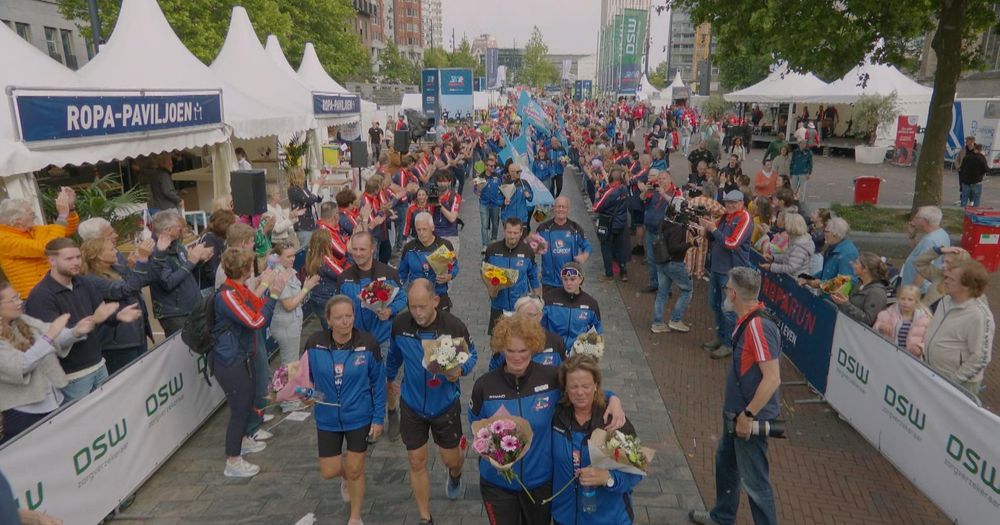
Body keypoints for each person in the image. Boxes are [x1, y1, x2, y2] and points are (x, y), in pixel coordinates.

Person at [469, 315, 625, 525]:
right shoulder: (484, 386)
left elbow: (582, 388)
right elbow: (476, 428)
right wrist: (488, 453)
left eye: (523, 350)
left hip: (541, 483)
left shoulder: (551, 377)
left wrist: (612, 398)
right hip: (497, 484)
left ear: (533, 347)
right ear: (501, 348)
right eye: (510, 351)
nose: (517, 357)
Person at [688, 267, 781, 525]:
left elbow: (772, 378)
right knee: (726, 464)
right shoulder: (748, 320)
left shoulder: (757, 326)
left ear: (733, 293)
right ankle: (722, 516)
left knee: (755, 482)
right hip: (737, 414)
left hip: (747, 417)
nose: (724, 290)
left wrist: (748, 415)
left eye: (727, 286)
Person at [386, 279, 477, 524]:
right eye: (413, 306)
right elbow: (394, 354)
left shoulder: (453, 325)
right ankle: (425, 517)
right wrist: (388, 378)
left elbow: (472, 354)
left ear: (435, 301)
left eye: (422, 307)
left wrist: (461, 369)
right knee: (416, 461)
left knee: (451, 459)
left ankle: (455, 474)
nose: (417, 312)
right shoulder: (400, 324)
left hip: (444, 404)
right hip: (412, 403)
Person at [301, 295, 385, 524]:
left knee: (356, 469)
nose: (345, 322)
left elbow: (378, 383)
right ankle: (345, 475)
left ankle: (355, 517)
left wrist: (378, 418)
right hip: (327, 418)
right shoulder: (314, 344)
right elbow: (304, 381)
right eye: (339, 318)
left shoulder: (368, 343)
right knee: (329, 470)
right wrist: (309, 396)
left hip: (359, 416)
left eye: (349, 316)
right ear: (328, 320)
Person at [24, 238, 141, 402]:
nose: (76, 262)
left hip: (99, 364)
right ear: (52, 260)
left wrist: (116, 316)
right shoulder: (41, 296)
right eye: (69, 259)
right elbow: (52, 340)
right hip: (72, 376)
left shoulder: (83, 282)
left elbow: (100, 311)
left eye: (78, 257)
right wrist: (91, 321)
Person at [212, 248, 289, 478]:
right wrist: (273, 294)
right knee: (239, 409)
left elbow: (255, 304)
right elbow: (256, 320)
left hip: (239, 355)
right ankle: (232, 460)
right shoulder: (227, 295)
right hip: (229, 360)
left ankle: (244, 440)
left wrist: (267, 289)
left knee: (245, 404)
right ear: (246, 269)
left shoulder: (239, 289)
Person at [0, 281, 99, 444]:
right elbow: (21, 365)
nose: (19, 302)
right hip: (25, 415)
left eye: (18, 297)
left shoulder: (24, 320)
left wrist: (76, 331)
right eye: (13, 300)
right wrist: (49, 336)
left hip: (53, 404)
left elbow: (53, 335)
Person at [551, 355, 644, 525]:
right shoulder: (556, 416)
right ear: (565, 388)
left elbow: (637, 471)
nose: (580, 392)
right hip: (564, 517)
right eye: (573, 386)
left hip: (608, 519)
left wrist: (608, 478)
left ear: (596, 385)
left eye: (586, 386)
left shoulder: (612, 421)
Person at [79, 237, 155, 375]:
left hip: (136, 334)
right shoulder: (91, 279)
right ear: (99, 256)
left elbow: (143, 280)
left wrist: (136, 265)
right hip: (118, 344)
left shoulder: (118, 268)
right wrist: (142, 259)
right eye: (112, 249)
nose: (116, 252)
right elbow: (126, 289)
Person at [921, 259, 994, 394]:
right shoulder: (945, 300)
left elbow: (980, 358)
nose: (945, 281)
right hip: (934, 373)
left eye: (950, 279)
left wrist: (954, 380)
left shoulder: (979, 316)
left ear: (966, 285)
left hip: (957, 385)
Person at [698, 191, 753, 359]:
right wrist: (708, 229)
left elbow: (732, 243)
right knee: (715, 305)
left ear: (741, 203)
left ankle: (729, 344)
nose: (730, 205)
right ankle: (719, 337)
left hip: (731, 271)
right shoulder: (725, 217)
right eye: (728, 202)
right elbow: (715, 238)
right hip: (717, 268)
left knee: (728, 310)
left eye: (734, 203)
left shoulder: (744, 218)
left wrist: (713, 230)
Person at [0, 193, 80, 298]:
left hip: (56, 289)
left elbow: (67, 229)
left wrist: (70, 209)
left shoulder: (34, 230)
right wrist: (61, 216)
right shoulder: (4, 239)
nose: (34, 214)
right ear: (17, 220)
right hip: (33, 296)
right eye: (30, 213)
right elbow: (46, 248)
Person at [270, 243, 320, 411]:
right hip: (285, 324)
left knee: (292, 362)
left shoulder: (289, 272)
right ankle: (288, 401)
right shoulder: (279, 276)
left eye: (293, 256)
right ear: (278, 257)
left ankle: (291, 395)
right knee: (289, 363)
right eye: (288, 256)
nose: (292, 259)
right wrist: (306, 288)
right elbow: (289, 305)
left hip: (292, 322)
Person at [337, 231, 408, 349]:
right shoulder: (344, 278)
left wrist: (390, 310)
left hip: (384, 341)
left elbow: (402, 298)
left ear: (372, 249)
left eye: (362, 249)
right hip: (355, 342)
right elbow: (337, 308)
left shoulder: (388, 273)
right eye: (355, 249)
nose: (358, 254)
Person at [149, 210, 213, 336]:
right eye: (179, 226)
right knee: (182, 353)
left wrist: (198, 260)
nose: (182, 229)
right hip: (175, 314)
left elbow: (186, 272)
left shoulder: (177, 245)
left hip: (190, 309)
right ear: (167, 230)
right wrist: (191, 261)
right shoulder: (155, 252)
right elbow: (168, 282)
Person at [484, 218, 542, 332]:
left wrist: (538, 301)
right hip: (498, 306)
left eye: (515, 233)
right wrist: (490, 288)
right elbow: (485, 273)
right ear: (504, 231)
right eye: (509, 232)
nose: (512, 236)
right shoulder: (492, 250)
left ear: (521, 233)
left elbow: (533, 276)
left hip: (521, 306)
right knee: (497, 344)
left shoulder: (527, 252)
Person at [650, 199, 695, 334]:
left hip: (661, 261)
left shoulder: (664, 223)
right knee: (688, 289)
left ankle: (657, 323)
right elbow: (674, 247)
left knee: (662, 293)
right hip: (674, 262)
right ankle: (675, 319)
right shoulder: (677, 228)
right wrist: (690, 244)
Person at [399, 212, 460, 310]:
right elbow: (402, 273)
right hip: (417, 297)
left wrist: (449, 276)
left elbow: (455, 266)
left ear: (432, 228)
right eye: (418, 230)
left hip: (439, 295)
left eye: (424, 229)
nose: (421, 233)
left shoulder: (444, 245)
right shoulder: (409, 248)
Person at [489, 296, 568, 370]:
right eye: (521, 316)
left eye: (530, 315)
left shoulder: (555, 342)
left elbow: (564, 372)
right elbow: (494, 373)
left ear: (540, 316)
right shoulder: (506, 341)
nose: (526, 320)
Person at [536, 197, 592, 292]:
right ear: (554, 208)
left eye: (563, 207)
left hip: (570, 282)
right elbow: (531, 248)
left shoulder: (575, 228)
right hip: (549, 282)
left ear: (568, 209)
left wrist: (584, 256)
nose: (560, 209)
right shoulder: (543, 228)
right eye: (558, 206)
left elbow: (587, 246)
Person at [542, 262, 602, 350]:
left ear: (580, 279)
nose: (568, 283)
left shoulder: (591, 304)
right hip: (553, 351)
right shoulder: (548, 299)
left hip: (578, 353)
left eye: (573, 279)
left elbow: (597, 331)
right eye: (565, 279)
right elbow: (539, 327)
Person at [829, 252, 889, 327]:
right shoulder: (860, 283)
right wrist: (840, 301)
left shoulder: (877, 293)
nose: (852, 264)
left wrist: (846, 304)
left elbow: (868, 320)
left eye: (856, 263)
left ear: (865, 269)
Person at [900, 206, 950, 293]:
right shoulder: (941, 234)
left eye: (917, 217)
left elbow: (922, 271)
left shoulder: (930, 240)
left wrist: (912, 293)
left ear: (925, 221)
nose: (914, 220)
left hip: (922, 290)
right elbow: (919, 253)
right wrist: (912, 236)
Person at [593, 168, 631, 282]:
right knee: (620, 248)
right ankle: (623, 272)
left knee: (606, 248)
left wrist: (598, 194)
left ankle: (609, 275)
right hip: (621, 223)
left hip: (609, 224)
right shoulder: (624, 188)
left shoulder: (611, 192)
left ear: (611, 178)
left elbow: (596, 207)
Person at [874, 285, 932, 357]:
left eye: (910, 299)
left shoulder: (925, 321)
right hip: (888, 354)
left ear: (916, 302)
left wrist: (920, 348)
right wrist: (880, 326)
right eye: (902, 299)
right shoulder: (888, 314)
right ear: (898, 299)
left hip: (910, 359)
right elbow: (875, 327)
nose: (905, 302)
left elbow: (929, 341)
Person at [760, 212, 814, 278]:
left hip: (795, 280)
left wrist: (771, 267)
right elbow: (788, 257)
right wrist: (773, 258)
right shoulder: (795, 239)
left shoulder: (800, 246)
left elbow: (791, 268)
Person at [198, 210, 237, 289]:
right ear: (224, 224)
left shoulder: (220, 238)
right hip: (210, 287)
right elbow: (211, 269)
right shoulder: (209, 239)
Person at [288, 167, 323, 248]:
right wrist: (316, 186)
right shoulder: (292, 190)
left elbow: (317, 199)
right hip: (303, 225)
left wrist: (319, 186)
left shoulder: (303, 188)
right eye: (303, 175)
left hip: (312, 223)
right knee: (306, 250)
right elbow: (310, 200)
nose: (305, 177)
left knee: (313, 249)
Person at [432, 170, 462, 256]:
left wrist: (439, 206)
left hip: (450, 236)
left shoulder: (455, 197)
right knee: (435, 267)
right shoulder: (432, 195)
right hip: (434, 237)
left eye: (444, 181)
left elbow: (452, 218)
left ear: (449, 182)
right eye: (439, 181)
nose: (442, 184)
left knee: (449, 267)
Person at [501, 162, 534, 226]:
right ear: (511, 172)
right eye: (518, 172)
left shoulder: (524, 183)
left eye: (520, 171)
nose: (520, 173)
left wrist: (529, 195)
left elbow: (531, 198)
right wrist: (503, 202)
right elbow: (498, 200)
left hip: (522, 219)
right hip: (508, 219)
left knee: (523, 236)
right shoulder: (505, 184)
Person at [266, 183, 298, 248]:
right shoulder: (268, 210)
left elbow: (285, 222)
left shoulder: (278, 206)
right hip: (276, 243)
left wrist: (293, 216)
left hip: (284, 240)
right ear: (272, 195)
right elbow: (277, 229)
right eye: (278, 193)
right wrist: (290, 218)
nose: (280, 195)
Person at [959, 143, 988, 207]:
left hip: (966, 180)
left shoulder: (967, 156)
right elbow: (986, 169)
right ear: (980, 150)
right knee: (976, 198)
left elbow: (962, 167)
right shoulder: (981, 158)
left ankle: (962, 212)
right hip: (976, 181)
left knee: (964, 198)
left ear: (974, 148)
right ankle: (974, 213)